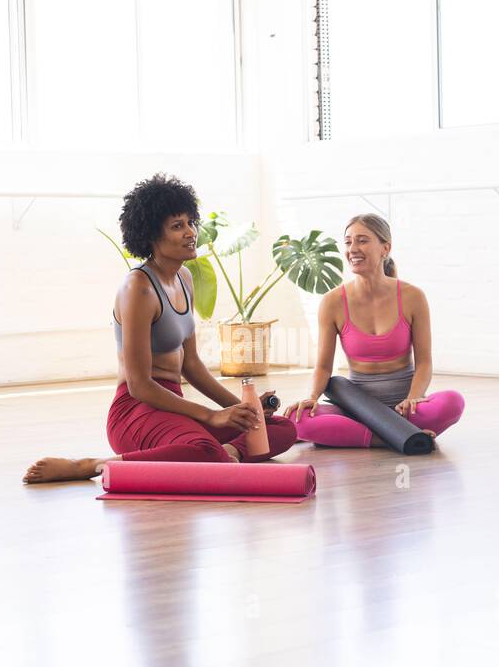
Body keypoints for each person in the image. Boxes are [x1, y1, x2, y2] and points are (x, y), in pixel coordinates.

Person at [24, 174, 297, 483]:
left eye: (190, 223)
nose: (190, 233)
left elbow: (192, 365)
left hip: (176, 407)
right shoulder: (138, 288)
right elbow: (139, 385)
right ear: (152, 235)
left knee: (282, 428)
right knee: (205, 452)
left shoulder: (185, 279)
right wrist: (210, 415)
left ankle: (228, 455)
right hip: (137, 411)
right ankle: (94, 465)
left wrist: (243, 408)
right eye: (177, 226)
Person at [285, 214, 464, 447]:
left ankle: (387, 431)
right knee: (295, 419)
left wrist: (413, 399)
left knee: (453, 401)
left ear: (385, 248)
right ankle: (389, 437)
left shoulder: (412, 297)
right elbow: (323, 366)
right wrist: (311, 398)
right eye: (348, 242)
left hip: (405, 407)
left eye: (362, 240)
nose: (353, 249)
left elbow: (424, 363)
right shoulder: (333, 302)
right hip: (358, 410)